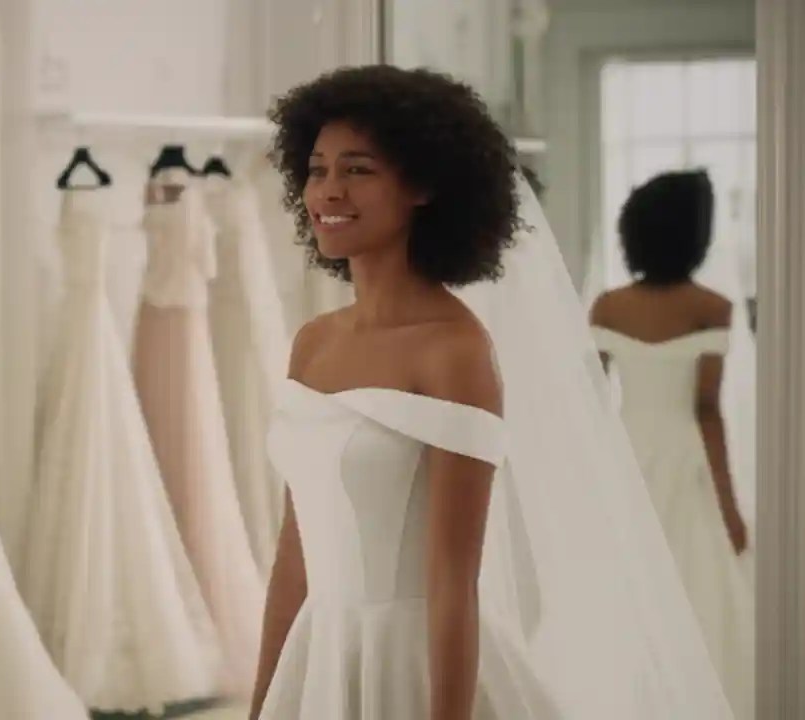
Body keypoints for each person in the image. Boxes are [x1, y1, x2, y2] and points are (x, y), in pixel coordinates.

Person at [249, 65, 733, 720]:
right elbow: (292, 562)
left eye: (358, 169)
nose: (329, 189)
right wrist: (259, 706)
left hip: (414, 672)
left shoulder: (455, 351)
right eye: (317, 168)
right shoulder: (312, 343)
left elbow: (453, 584)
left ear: (421, 185)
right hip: (319, 666)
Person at [590, 170, 754, 716]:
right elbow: (707, 411)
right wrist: (730, 508)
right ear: (695, 236)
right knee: (695, 587)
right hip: (686, 462)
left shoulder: (608, 306)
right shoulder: (712, 306)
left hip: (625, 455)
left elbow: (588, 398)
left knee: (624, 586)